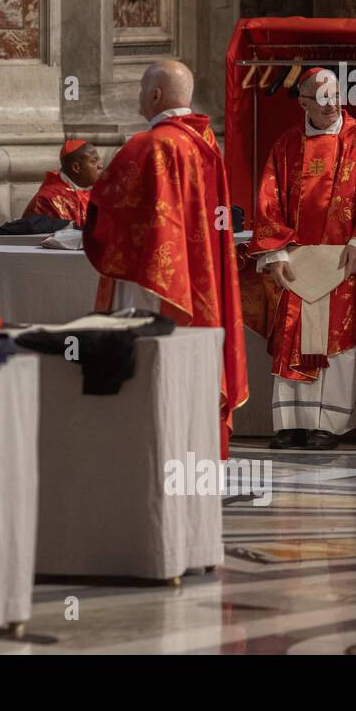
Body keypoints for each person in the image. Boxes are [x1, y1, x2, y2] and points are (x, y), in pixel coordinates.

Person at [84, 59, 247, 458]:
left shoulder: (147, 146)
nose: (140, 98)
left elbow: (102, 209)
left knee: (149, 358)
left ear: (155, 95)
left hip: (149, 281)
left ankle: (144, 438)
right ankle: (190, 437)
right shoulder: (206, 145)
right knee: (187, 353)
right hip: (196, 278)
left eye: (142, 91)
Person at [243, 68, 356, 450]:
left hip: (343, 258)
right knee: (292, 334)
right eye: (322, 99)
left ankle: (328, 423)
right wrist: (276, 252)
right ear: (304, 102)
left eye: (337, 96)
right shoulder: (286, 146)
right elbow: (268, 199)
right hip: (297, 259)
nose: (332, 105)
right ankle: (291, 422)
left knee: (336, 339)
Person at [22, 140, 102, 227]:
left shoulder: (93, 192)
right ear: (76, 168)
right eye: (93, 161)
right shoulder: (48, 198)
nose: (100, 166)